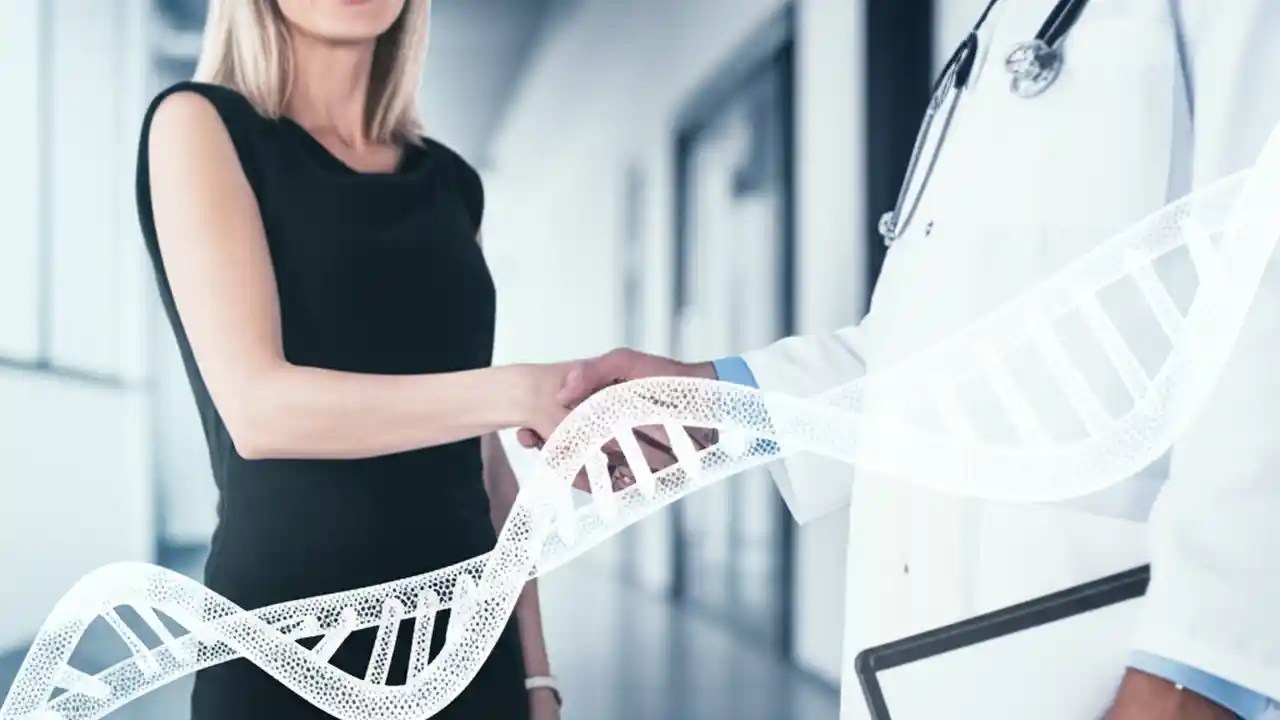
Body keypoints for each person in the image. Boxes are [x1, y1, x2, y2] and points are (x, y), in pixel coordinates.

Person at [537, 0, 1280, 718]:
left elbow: (1265, 314)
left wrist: (1202, 673)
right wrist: (721, 403)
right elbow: (928, 357)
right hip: (939, 650)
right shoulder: (999, 27)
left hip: (1124, 657)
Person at [137, 1, 568, 718]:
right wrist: (514, 390)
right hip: (288, 646)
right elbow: (259, 411)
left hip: (468, 647)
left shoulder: (453, 184)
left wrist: (535, 673)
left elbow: (481, 457)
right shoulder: (199, 125)